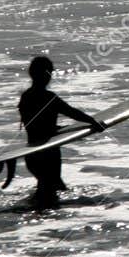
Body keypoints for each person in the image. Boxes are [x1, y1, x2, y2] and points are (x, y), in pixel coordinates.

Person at [18, 56, 105, 209]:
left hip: (32, 154)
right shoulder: (48, 97)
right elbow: (72, 112)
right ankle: (41, 223)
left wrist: (56, 129)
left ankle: (32, 220)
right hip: (48, 155)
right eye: (49, 72)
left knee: (46, 192)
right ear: (47, 74)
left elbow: (34, 126)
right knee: (50, 196)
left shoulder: (26, 97)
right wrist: (93, 122)